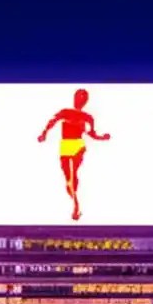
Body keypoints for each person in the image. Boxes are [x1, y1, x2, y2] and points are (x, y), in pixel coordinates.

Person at [36, 88, 111, 221]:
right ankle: (75, 202)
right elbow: (52, 122)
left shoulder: (87, 117)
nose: (79, 101)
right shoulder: (65, 112)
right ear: (74, 98)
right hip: (65, 146)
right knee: (68, 179)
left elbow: (91, 134)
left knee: (72, 175)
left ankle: (76, 206)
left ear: (85, 102)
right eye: (78, 98)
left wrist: (102, 137)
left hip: (77, 145)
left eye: (82, 99)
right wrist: (44, 134)